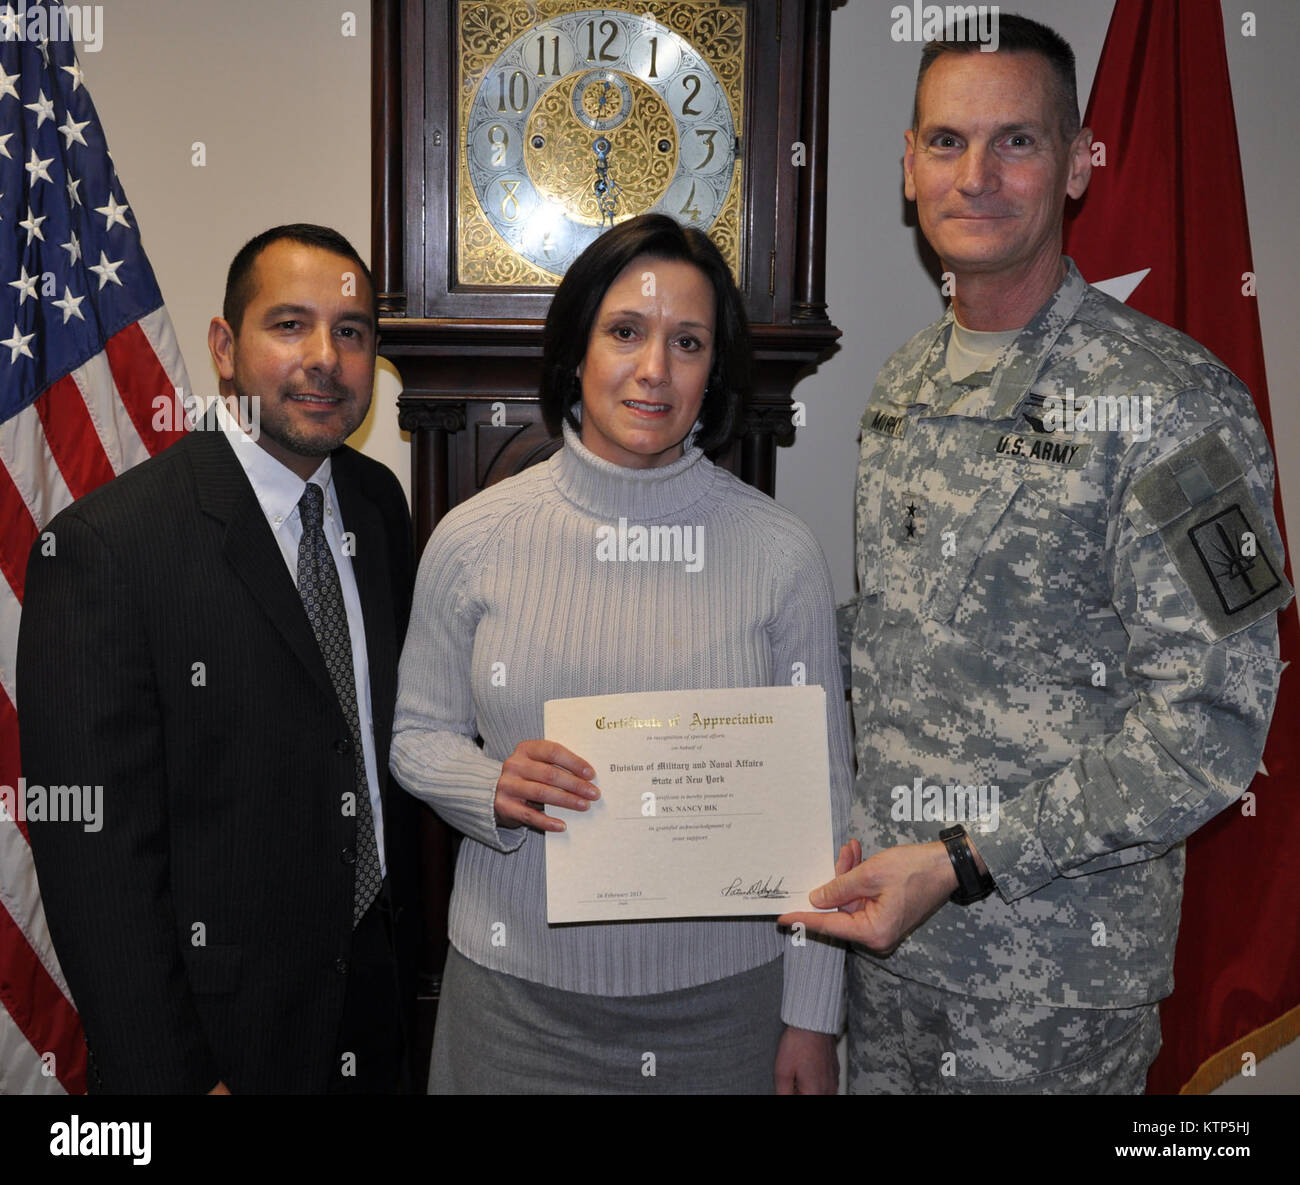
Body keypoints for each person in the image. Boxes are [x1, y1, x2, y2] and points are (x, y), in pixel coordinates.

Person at [781, 14, 1291, 1093]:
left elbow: (1210, 727)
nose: (977, 175)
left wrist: (963, 862)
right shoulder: (901, 386)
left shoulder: (1177, 402)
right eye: (947, 142)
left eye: (1016, 140)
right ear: (908, 165)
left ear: (1079, 162)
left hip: (1057, 991)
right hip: (890, 961)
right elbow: (904, 650)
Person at [392, 213, 851, 1094]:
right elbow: (417, 733)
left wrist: (812, 1015)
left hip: (726, 1010)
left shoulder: (779, 552)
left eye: (687, 342)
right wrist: (489, 784)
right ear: (576, 351)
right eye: (626, 333)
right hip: (515, 1006)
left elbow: (823, 811)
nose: (654, 370)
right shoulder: (474, 537)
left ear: (715, 370)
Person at [18, 224, 420, 1093]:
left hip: (384, 1018)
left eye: (351, 331)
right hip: (223, 1041)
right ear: (224, 349)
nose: (326, 357)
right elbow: (94, 857)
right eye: (290, 325)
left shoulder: (380, 506)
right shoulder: (106, 549)